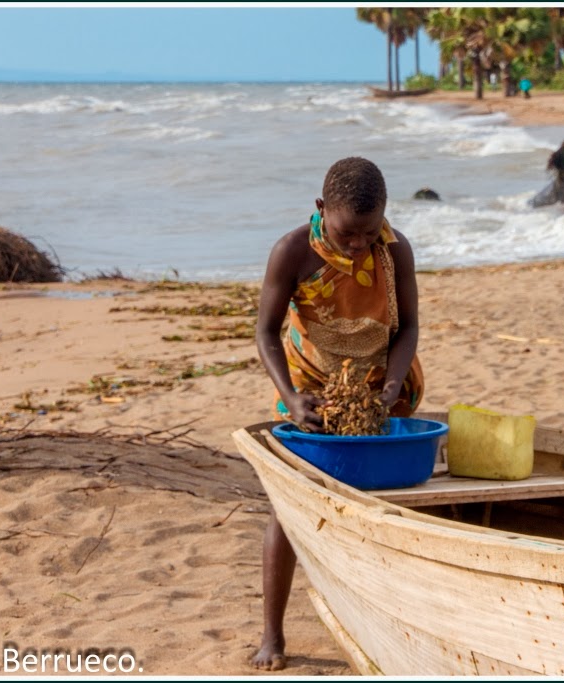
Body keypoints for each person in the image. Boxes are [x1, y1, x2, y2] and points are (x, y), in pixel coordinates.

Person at [251, 156, 424, 670]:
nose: (357, 246)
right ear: (321, 208)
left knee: (391, 501)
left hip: (381, 387)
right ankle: (272, 635)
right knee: (287, 508)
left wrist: (391, 384)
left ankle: (390, 617)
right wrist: (291, 394)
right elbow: (265, 332)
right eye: (348, 235)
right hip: (311, 388)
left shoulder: (395, 251)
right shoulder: (292, 252)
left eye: (367, 235)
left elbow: (409, 327)